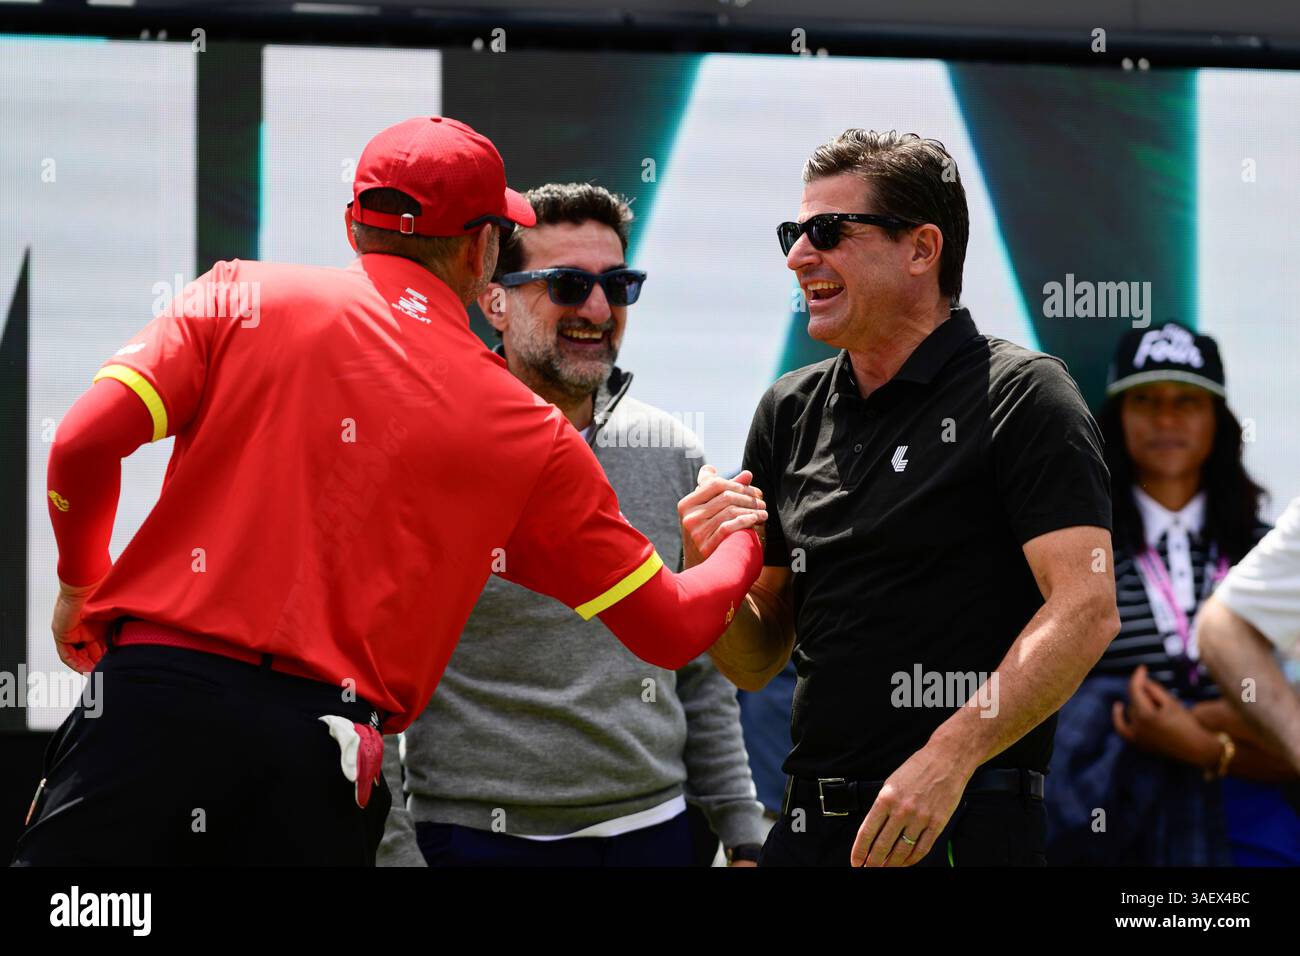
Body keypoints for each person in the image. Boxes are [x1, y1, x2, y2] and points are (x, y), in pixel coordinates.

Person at [15, 117, 763, 866]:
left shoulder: (238, 295)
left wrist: (81, 582)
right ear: (482, 251)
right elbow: (670, 629)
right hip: (321, 752)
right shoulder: (526, 429)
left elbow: (81, 444)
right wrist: (740, 542)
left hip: (150, 701)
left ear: (351, 226)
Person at [679, 129, 1119, 867]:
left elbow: (1087, 609)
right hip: (810, 827)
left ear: (922, 249)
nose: (797, 256)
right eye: (794, 232)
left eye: (827, 232)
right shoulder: (787, 411)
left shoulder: (1026, 395)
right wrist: (709, 576)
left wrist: (949, 756)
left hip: (958, 825)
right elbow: (756, 663)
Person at [378, 183, 765, 867]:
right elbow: (370, 675)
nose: (596, 308)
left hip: (657, 835)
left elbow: (702, 675)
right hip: (470, 840)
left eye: (618, 284)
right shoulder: (425, 454)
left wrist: (741, 831)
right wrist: (396, 850)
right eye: (566, 283)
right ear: (492, 300)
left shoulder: (673, 452)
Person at [1046, 321, 1298, 866]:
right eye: (1146, 401)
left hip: (1252, 829)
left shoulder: (1271, 554)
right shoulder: (1079, 549)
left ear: (1218, 422)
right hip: (1106, 824)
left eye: (1187, 401)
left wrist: (1201, 740)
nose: (1166, 418)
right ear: (1117, 420)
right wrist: (1221, 715)